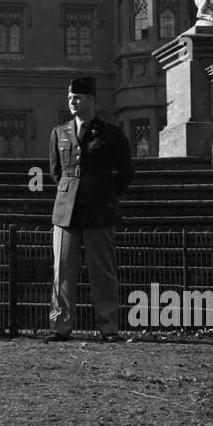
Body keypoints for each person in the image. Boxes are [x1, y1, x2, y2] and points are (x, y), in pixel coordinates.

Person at [46, 77, 133, 342]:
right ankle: (60, 326)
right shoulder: (59, 133)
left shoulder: (111, 134)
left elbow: (126, 172)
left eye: (79, 98)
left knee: (102, 271)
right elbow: (55, 172)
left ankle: (108, 327)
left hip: (99, 211)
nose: (73, 102)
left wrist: (105, 195)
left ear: (93, 101)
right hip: (65, 211)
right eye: (70, 97)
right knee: (62, 270)